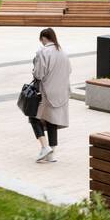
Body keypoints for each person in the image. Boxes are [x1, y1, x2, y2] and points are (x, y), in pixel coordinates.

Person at [29, 27, 71, 164]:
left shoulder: (43, 52)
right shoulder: (63, 52)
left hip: (46, 91)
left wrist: (34, 69)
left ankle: (44, 147)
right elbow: (69, 70)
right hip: (61, 92)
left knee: (33, 117)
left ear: (43, 38)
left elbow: (38, 74)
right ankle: (51, 154)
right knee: (52, 120)